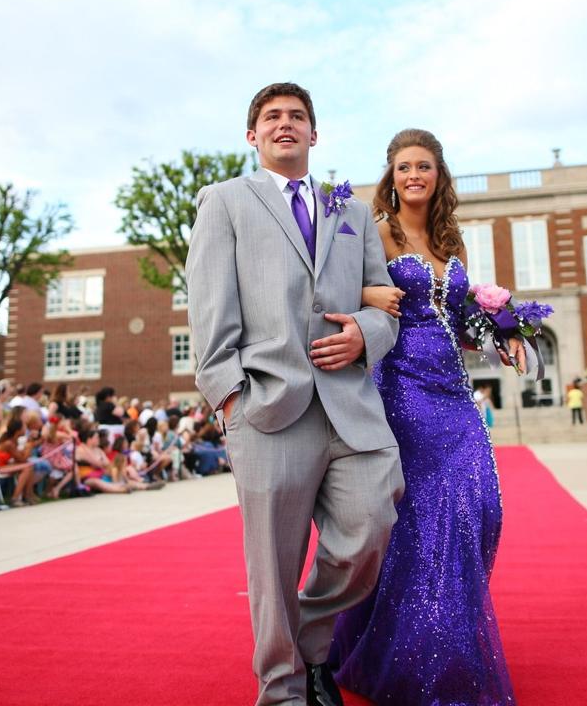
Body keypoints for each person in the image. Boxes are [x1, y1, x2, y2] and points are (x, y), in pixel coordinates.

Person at [186, 82, 404, 706]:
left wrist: (364, 334)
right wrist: (229, 398)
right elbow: (209, 309)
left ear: (316, 133)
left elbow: (382, 301)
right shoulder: (225, 201)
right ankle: (283, 689)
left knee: (369, 526)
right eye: (272, 117)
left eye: (298, 116)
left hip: (351, 409)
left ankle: (310, 646)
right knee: (273, 565)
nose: (286, 124)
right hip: (267, 407)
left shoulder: (350, 211)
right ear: (252, 136)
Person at [329, 128, 521, 705]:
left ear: (439, 176)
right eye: (405, 167)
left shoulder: (451, 240)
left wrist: (504, 332)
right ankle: (419, 659)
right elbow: (334, 287)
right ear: (392, 174)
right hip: (403, 390)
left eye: (425, 167)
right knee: (422, 522)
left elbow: (458, 321)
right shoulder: (374, 229)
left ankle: (442, 639)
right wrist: (370, 291)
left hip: (457, 394)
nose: (415, 175)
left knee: (481, 511)